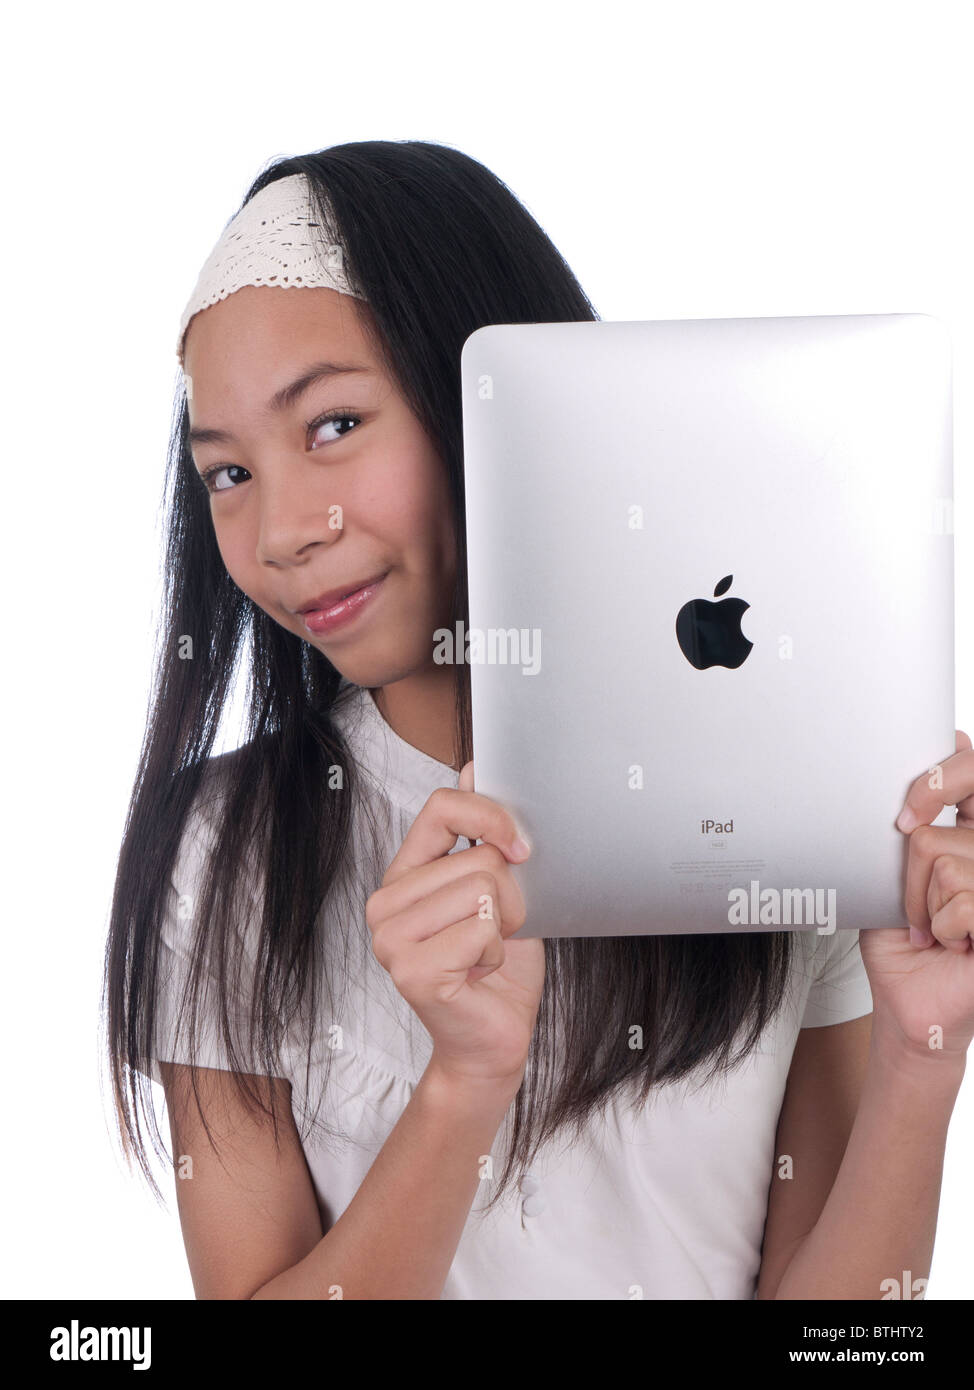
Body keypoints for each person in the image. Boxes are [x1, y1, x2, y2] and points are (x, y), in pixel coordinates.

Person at [103, 139, 974, 1301]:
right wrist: (463, 1081)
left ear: (491, 403)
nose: (279, 534)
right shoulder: (224, 855)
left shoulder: (785, 815)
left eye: (331, 426)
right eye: (226, 474)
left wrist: (925, 1052)